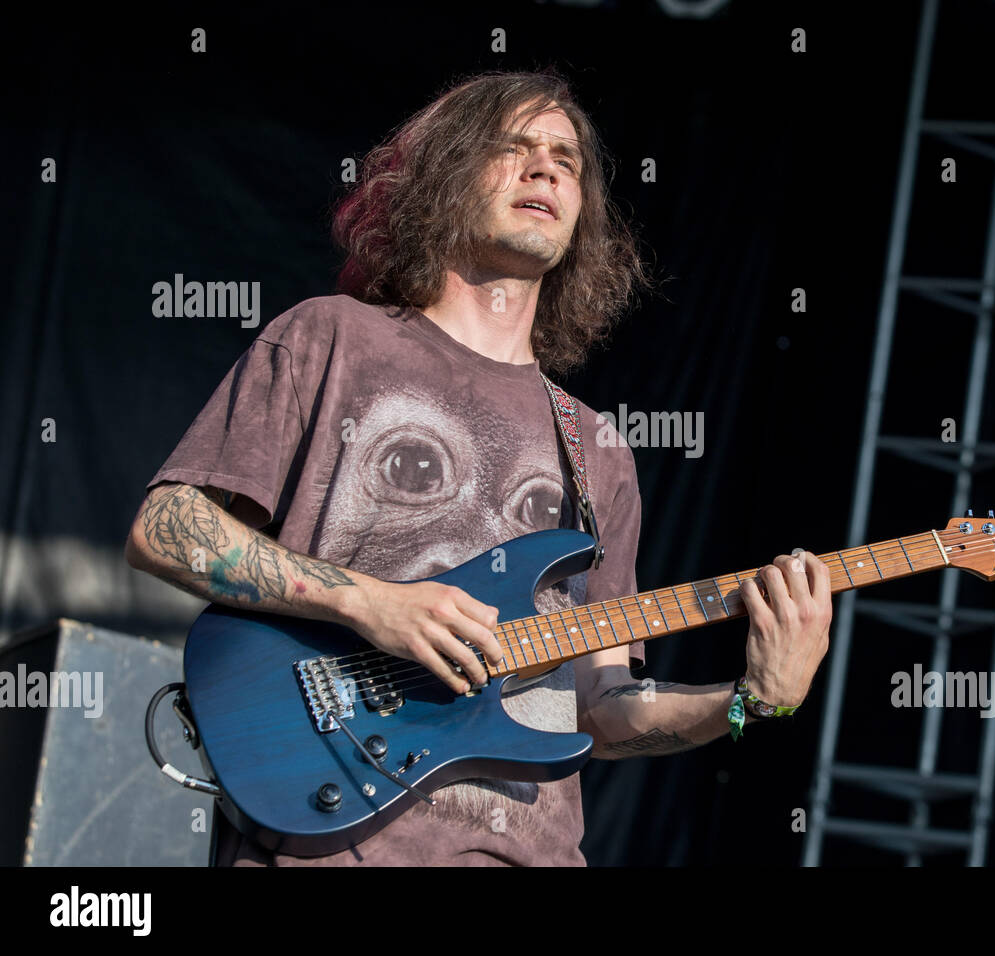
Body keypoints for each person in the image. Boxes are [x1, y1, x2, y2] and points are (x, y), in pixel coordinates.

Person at [124, 69, 832, 866]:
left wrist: (748, 704)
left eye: (566, 159)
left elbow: (601, 709)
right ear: (445, 178)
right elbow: (165, 529)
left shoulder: (596, 448)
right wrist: (375, 606)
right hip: (327, 840)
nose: (547, 170)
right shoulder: (330, 341)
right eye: (514, 148)